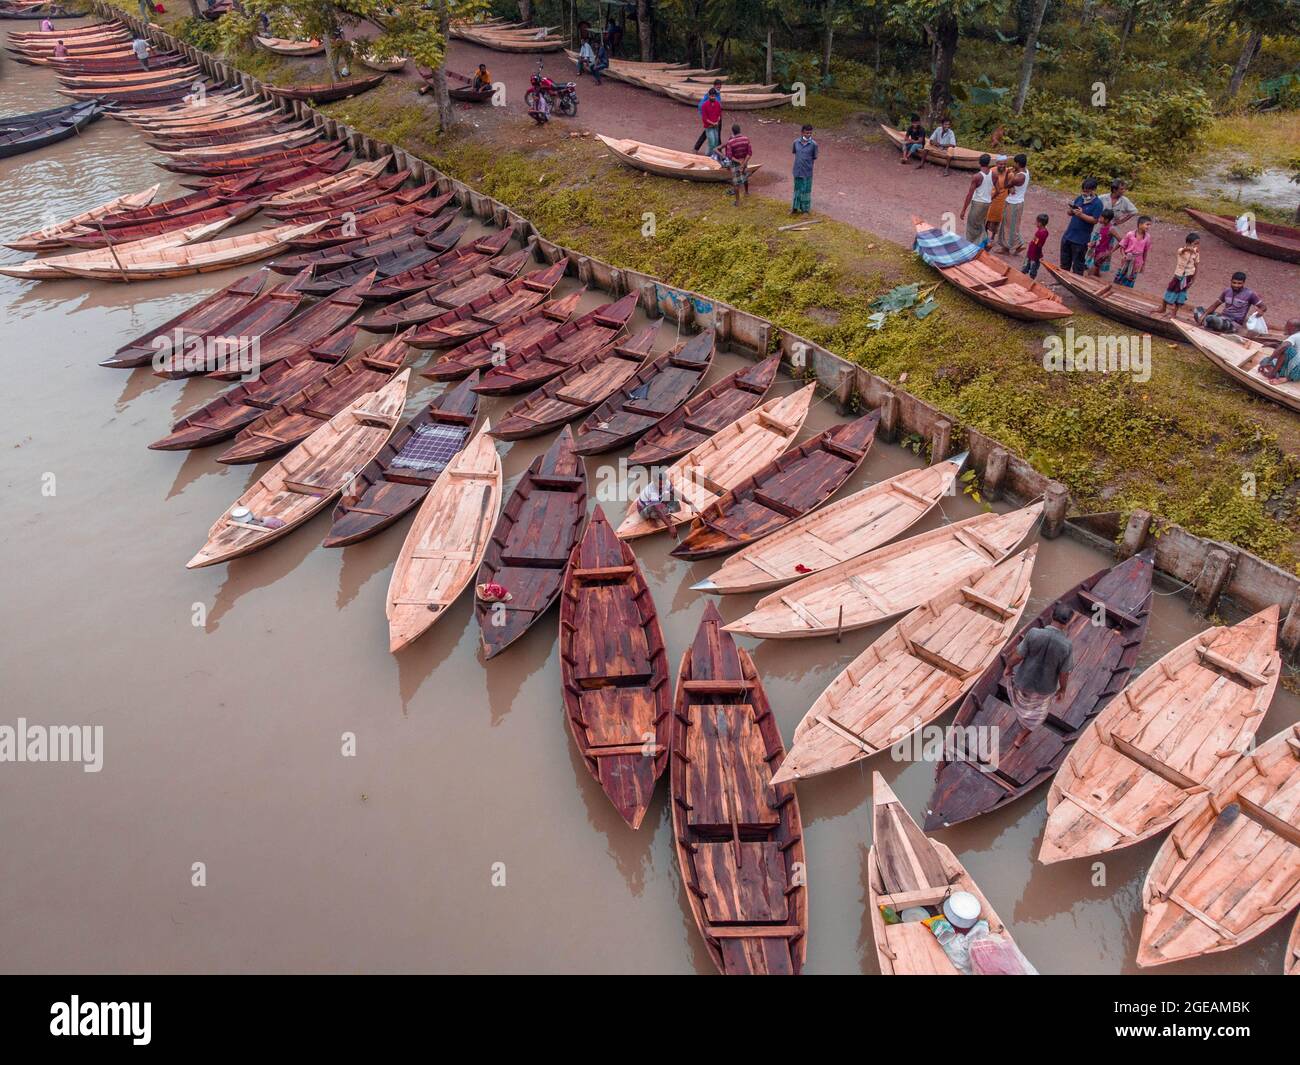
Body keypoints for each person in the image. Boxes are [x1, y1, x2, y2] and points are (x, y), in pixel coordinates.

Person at [1003, 603, 1074, 741]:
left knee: (1023, 701)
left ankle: (1021, 716)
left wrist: (1009, 667)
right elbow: (1064, 673)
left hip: (1022, 681)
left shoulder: (1034, 633)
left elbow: (1018, 655)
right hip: (1044, 689)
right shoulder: (1066, 646)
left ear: (1051, 616)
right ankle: (1021, 736)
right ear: (1068, 623)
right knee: (1039, 715)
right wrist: (1063, 689)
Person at [1195, 271, 1267, 334]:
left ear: (1243, 283)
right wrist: (1204, 315)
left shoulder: (1250, 294)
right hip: (1222, 317)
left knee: (1210, 319)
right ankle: (1210, 323)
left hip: (1234, 323)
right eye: (1234, 283)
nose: (1236, 285)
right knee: (1198, 310)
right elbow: (1215, 305)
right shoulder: (1227, 291)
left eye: (1239, 283)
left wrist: (1261, 311)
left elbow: (1263, 307)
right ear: (1231, 281)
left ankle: (1210, 324)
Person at [1059, 177, 1103, 273]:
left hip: (1081, 240)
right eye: (1083, 191)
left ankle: (1075, 284)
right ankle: (1062, 281)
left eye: (1087, 191)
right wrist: (1071, 210)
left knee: (1078, 265)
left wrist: (1081, 215)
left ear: (1093, 190)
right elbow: (1069, 213)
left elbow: (1094, 220)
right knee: (1064, 262)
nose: (1085, 193)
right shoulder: (1080, 198)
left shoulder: (1097, 204)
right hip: (1069, 235)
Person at [1161, 233, 1201, 317]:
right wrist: (1188, 249)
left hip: (1188, 277)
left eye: (1198, 243)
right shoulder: (1181, 250)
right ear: (1188, 243)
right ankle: (1163, 307)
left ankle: (1174, 312)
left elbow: (1196, 266)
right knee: (1170, 289)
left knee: (1181, 294)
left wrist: (1194, 279)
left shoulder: (1196, 254)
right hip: (1178, 275)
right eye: (1195, 243)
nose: (1197, 246)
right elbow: (1182, 251)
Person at [996, 154, 1029, 252]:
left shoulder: (1018, 178)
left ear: (1018, 163)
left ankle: (1014, 245)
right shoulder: (1026, 172)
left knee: (1008, 225)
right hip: (1019, 202)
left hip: (1013, 203)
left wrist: (1007, 173)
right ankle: (1014, 244)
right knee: (1012, 224)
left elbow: (1006, 185)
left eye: (1015, 163)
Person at [959, 154, 994, 244]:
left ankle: (971, 245)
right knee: (980, 223)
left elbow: (969, 195)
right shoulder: (993, 175)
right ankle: (984, 241)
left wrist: (963, 210)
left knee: (971, 225)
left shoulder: (977, 176)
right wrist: (991, 198)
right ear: (989, 163)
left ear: (979, 163)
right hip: (987, 203)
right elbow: (998, 190)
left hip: (978, 203)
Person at [1111, 215, 1152, 288]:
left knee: (1130, 279)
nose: (1149, 227)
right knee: (1120, 276)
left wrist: (1143, 264)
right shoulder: (1130, 234)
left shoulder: (1147, 237)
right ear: (1140, 224)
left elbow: (1145, 252)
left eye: (1150, 225)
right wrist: (1124, 255)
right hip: (1127, 259)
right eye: (1147, 224)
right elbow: (1122, 246)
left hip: (1137, 262)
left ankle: (1125, 293)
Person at [636, 472, 681, 537]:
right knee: (658, 509)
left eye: (663, 483)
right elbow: (658, 510)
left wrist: (691, 504)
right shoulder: (652, 490)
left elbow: (676, 493)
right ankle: (651, 518)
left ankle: (665, 514)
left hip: (653, 503)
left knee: (671, 496)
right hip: (643, 510)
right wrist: (670, 527)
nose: (662, 486)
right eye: (660, 484)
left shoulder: (666, 483)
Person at [720, 123, 753, 202]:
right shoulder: (746, 139)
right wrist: (743, 163)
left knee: (736, 183)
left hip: (735, 163)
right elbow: (750, 153)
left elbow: (729, 156)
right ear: (739, 130)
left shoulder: (730, 142)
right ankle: (746, 192)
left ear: (733, 132)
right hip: (744, 161)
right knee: (745, 177)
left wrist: (739, 162)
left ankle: (737, 202)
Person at [791, 124, 818, 214]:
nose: (808, 135)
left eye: (810, 133)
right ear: (802, 132)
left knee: (806, 191)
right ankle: (794, 208)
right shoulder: (796, 142)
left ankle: (805, 210)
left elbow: (814, 157)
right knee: (797, 189)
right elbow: (795, 152)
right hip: (797, 170)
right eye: (807, 133)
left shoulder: (814, 145)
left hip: (807, 171)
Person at [984, 156, 1010, 243]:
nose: (1003, 166)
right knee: (986, 217)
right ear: (996, 164)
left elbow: (1010, 187)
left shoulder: (1009, 172)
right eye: (1000, 164)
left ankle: (992, 237)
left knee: (997, 219)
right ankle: (984, 234)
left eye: (1004, 164)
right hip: (990, 197)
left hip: (1001, 199)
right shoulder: (991, 171)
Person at [1086, 208, 1119, 276]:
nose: (1099, 218)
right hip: (1097, 251)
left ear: (1106, 220)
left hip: (1102, 253)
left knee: (1091, 272)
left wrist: (1111, 252)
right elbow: (1100, 239)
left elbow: (1121, 241)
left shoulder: (1111, 229)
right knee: (1096, 271)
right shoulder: (1102, 226)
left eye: (1101, 217)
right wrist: (1093, 243)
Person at [694, 84, 722, 153]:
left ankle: (715, 154)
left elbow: (719, 113)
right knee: (711, 142)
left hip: (716, 124)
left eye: (714, 96)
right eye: (712, 96)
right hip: (709, 125)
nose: (713, 97)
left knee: (715, 141)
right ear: (709, 95)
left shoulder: (717, 103)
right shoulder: (704, 105)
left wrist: (718, 120)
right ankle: (707, 155)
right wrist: (713, 123)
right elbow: (705, 118)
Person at [1022, 213, 1049, 279]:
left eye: (1036, 222)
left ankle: (1031, 280)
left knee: (1032, 269)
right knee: (1026, 266)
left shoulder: (1041, 233)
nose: (1035, 223)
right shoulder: (1041, 231)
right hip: (1031, 253)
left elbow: (1039, 245)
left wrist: (1039, 255)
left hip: (1034, 255)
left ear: (1040, 223)